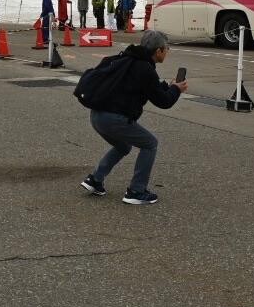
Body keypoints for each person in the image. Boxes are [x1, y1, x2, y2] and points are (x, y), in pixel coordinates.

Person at [79, 30, 188, 205]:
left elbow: (150, 88)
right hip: (114, 119)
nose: (167, 52)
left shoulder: (127, 59)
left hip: (97, 115)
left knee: (123, 146)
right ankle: (136, 191)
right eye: (167, 49)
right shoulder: (145, 68)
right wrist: (176, 89)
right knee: (150, 144)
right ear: (158, 51)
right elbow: (164, 101)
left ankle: (95, 180)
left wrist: (169, 86)